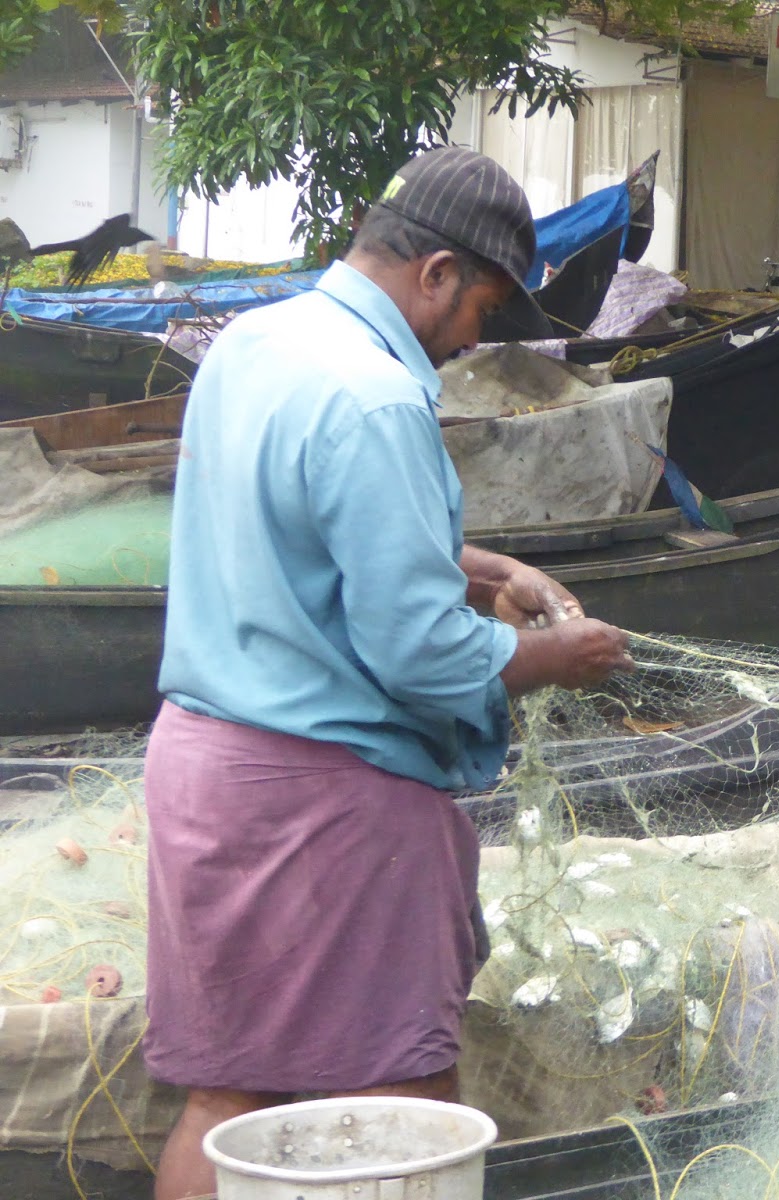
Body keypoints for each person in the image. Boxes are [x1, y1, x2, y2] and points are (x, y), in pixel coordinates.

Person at [142, 146, 636, 1199]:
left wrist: (482, 565)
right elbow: (418, 654)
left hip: (204, 773)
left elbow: (294, 526)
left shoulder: (253, 343)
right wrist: (557, 655)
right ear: (437, 272)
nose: (471, 342)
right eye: (479, 310)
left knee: (226, 1098)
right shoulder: (376, 397)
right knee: (406, 1095)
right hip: (328, 799)